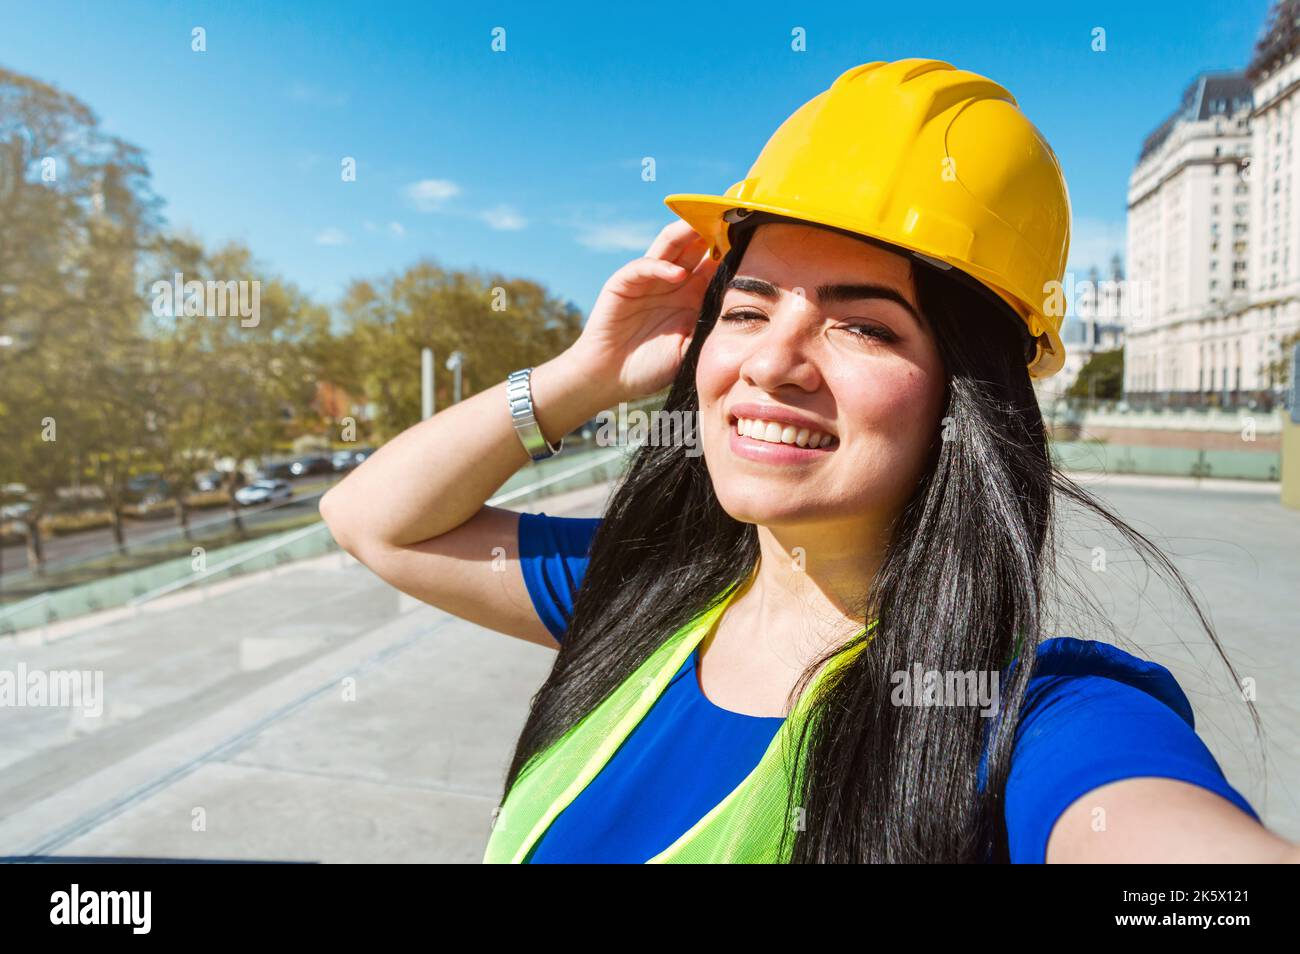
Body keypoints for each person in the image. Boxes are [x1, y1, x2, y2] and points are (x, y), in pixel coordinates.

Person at [320, 58, 1298, 863]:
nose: (771, 363)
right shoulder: (637, 598)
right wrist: (586, 373)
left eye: (863, 328)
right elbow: (372, 520)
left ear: (970, 396)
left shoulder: (1034, 722)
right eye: (744, 310)